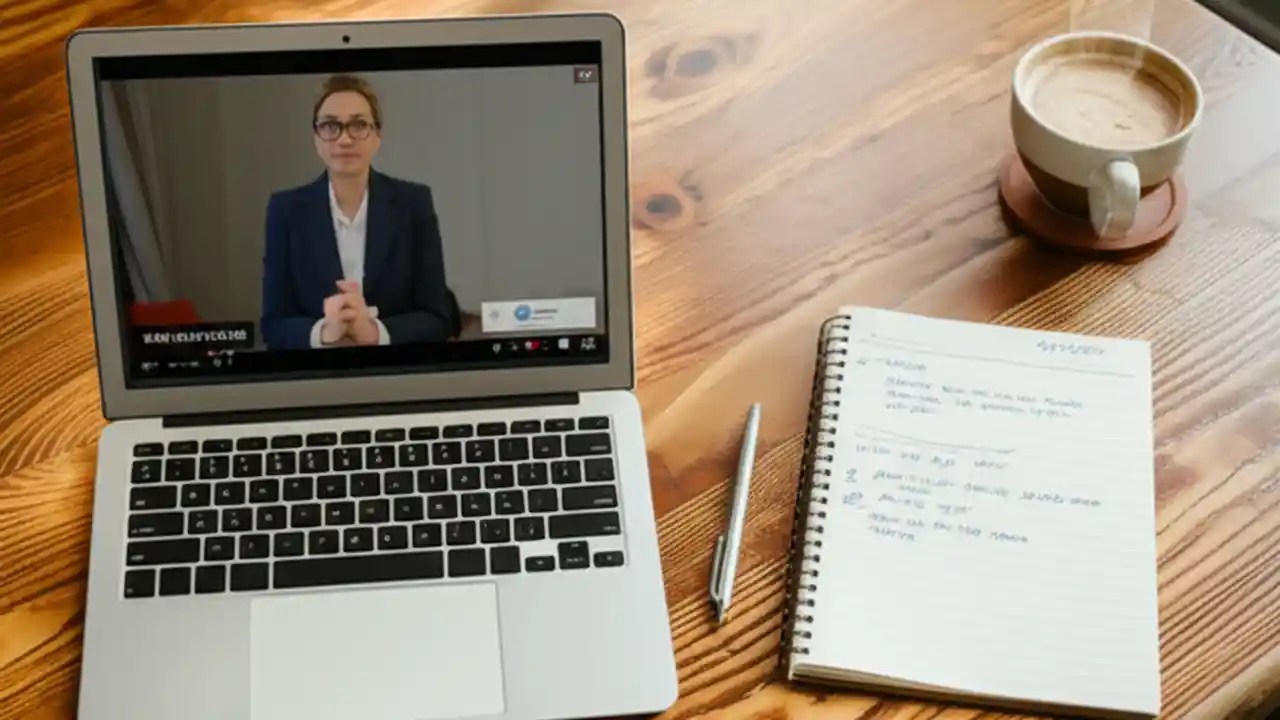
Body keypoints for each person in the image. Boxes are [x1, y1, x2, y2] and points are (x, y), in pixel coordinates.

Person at [260, 74, 459, 350]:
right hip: (319, 376)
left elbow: (438, 317)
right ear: (316, 140)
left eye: (358, 125)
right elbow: (273, 324)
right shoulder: (286, 210)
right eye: (331, 126)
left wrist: (375, 332)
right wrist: (324, 331)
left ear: (377, 136)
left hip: (396, 373)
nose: (344, 139)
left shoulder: (413, 203)